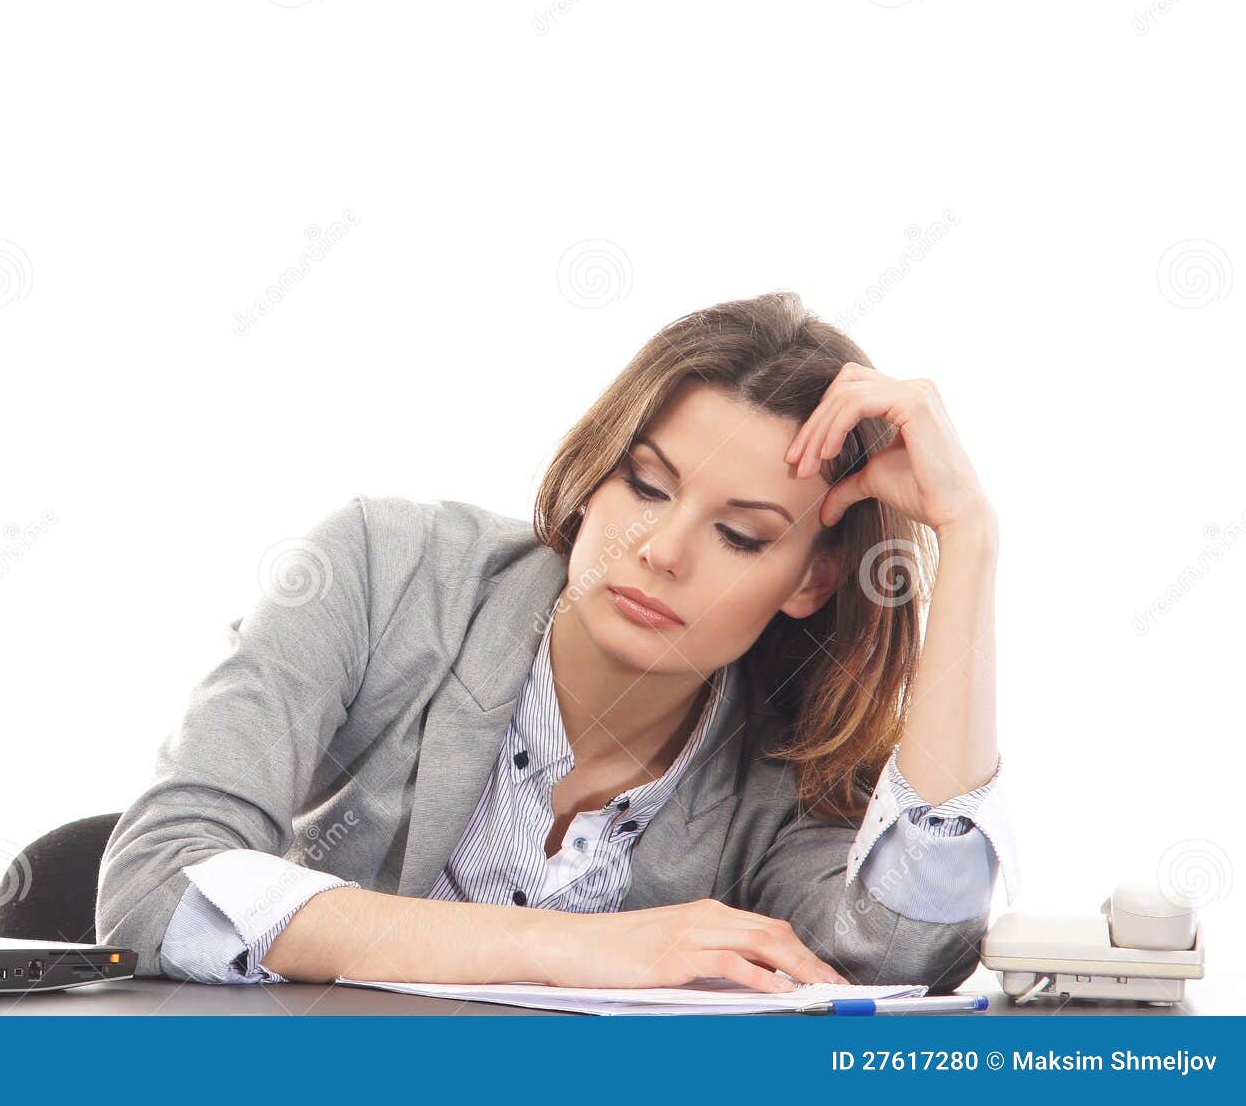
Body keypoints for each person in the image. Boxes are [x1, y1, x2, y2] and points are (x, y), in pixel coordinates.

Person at [96, 291, 1018, 992]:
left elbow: (907, 948)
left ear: (813, 579)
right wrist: (569, 948)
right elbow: (155, 885)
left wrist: (967, 536)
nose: (659, 551)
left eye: (741, 536)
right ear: (593, 476)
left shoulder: (782, 763)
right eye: (646, 486)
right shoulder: (384, 569)